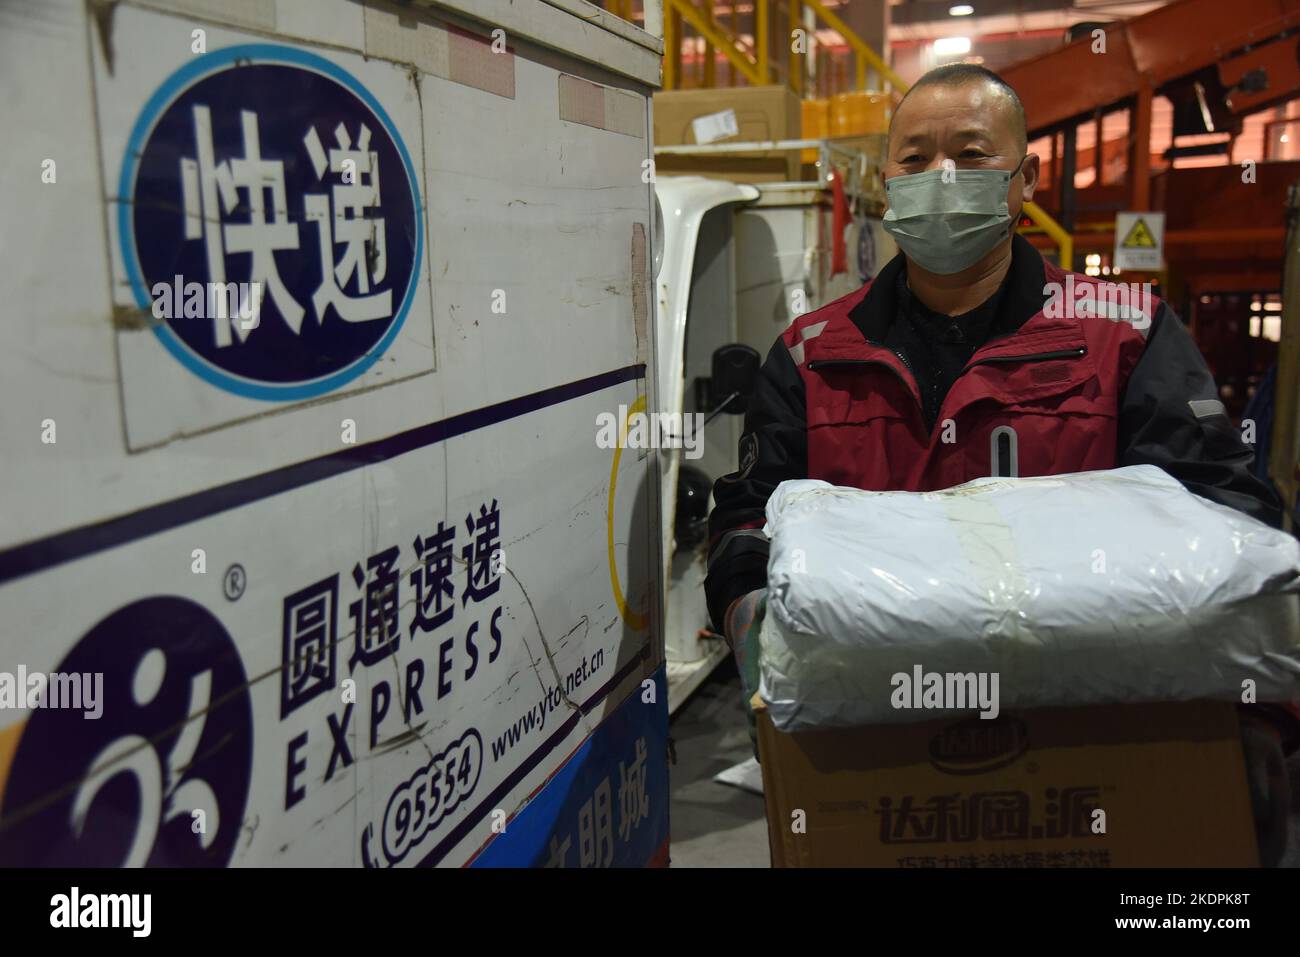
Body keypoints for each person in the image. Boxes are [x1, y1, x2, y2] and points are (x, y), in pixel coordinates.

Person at [704, 64, 1289, 862]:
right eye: (915, 158)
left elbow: (1226, 518)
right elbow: (746, 518)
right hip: (873, 763)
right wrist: (763, 663)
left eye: (972, 154)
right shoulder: (811, 356)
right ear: (886, 180)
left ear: (1026, 179)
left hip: (1103, 755)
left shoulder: (1124, 337)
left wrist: (1251, 717)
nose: (941, 177)